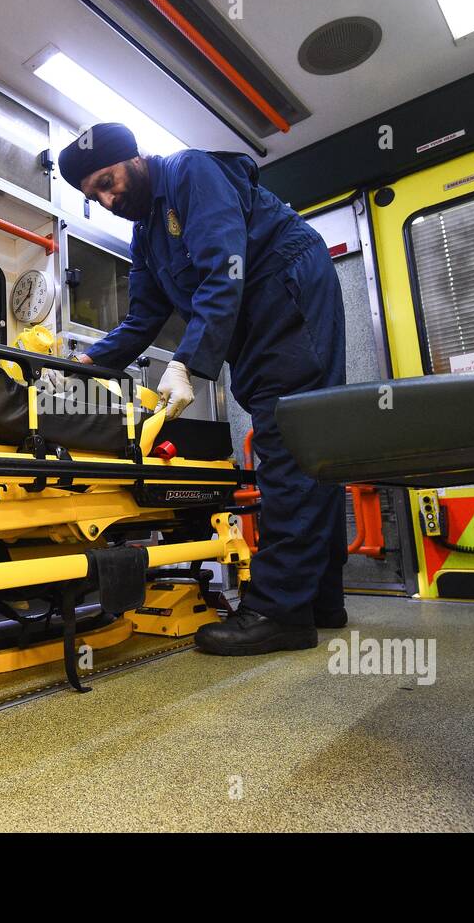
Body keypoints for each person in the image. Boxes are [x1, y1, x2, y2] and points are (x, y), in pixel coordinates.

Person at [59, 123, 348, 655]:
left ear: (134, 158)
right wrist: (85, 361)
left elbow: (224, 270)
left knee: (289, 441)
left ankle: (281, 611)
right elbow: (143, 317)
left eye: (107, 180)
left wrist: (188, 363)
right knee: (311, 451)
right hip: (256, 313)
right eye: (93, 195)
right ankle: (320, 599)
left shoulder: (190, 172)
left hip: (287, 289)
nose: (106, 198)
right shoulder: (146, 234)